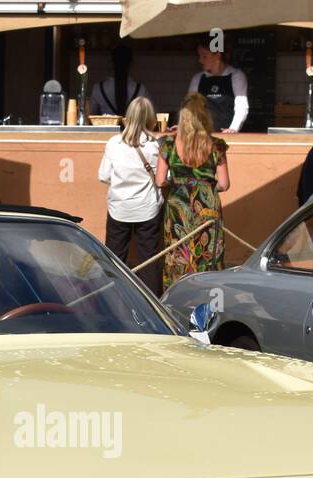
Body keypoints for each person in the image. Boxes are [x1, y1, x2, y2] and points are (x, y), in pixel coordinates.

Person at [156, 93, 229, 288]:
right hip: (207, 206)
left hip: (178, 207)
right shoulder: (216, 146)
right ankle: (208, 296)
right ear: (205, 116)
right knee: (208, 253)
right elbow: (224, 184)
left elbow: (160, 180)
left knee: (178, 254)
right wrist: (205, 186)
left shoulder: (168, 144)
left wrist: (180, 183)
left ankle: (177, 295)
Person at [98, 96, 163, 295]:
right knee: (149, 260)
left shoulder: (113, 143)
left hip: (118, 207)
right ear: (151, 119)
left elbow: (103, 176)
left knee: (114, 258)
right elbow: (164, 178)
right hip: (148, 208)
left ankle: (111, 297)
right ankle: (152, 301)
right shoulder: (155, 145)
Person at [188, 39, 248, 133]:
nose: (200, 60)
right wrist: (185, 126)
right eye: (199, 56)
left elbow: (241, 106)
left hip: (229, 136)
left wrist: (233, 129)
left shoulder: (236, 76)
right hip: (203, 135)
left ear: (218, 55)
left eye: (204, 56)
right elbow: (190, 107)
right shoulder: (198, 78)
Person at [91, 45, 151, 119]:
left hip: (107, 126)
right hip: (132, 126)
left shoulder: (98, 88)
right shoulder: (141, 89)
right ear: (131, 63)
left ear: (112, 63)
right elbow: (150, 116)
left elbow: (91, 115)